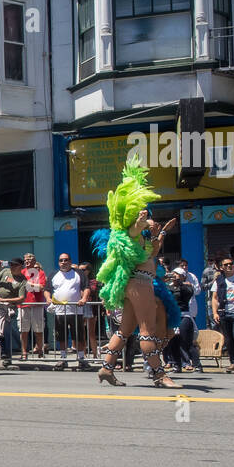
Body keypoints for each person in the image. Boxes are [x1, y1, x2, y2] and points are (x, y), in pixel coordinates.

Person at [92, 162, 181, 388]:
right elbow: (135, 229)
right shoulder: (129, 233)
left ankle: (106, 369)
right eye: (138, 212)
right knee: (147, 329)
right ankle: (160, 375)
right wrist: (141, 223)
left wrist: (159, 233)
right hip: (140, 284)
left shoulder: (138, 238)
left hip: (138, 283)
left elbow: (152, 251)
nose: (144, 215)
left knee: (125, 330)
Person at [48, 254, 88, 371]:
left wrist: (84, 298)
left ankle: (81, 359)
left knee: (79, 336)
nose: (63, 262)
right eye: (61, 260)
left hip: (76, 311)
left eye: (66, 260)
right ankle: (63, 358)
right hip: (60, 312)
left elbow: (86, 287)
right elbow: (47, 290)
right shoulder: (53, 275)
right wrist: (48, 299)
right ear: (58, 262)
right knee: (62, 337)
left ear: (70, 261)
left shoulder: (78, 273)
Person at [0, 259, 25, 367]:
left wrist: (5, 300)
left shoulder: (23, 280)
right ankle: (3, 350)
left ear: (20, 266)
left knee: (5, 330)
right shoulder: (5, 271)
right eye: (11, 264)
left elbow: (21, 298)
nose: (12, 266)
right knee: (1, 328)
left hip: (9, 307)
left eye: (15, 265)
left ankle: (3, 350)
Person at [18, 253, 48, 360]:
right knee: (23, 330)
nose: (27, 262)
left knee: (38, 329)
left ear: (34, 261)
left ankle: (40, 350)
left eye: (29, 260)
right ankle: (24, 352)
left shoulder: (40, 272)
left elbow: (41, 287)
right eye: (25, 260)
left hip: (37, 304)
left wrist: (29, 286)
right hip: (23, 304)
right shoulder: (21, 272)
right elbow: (16, 285)